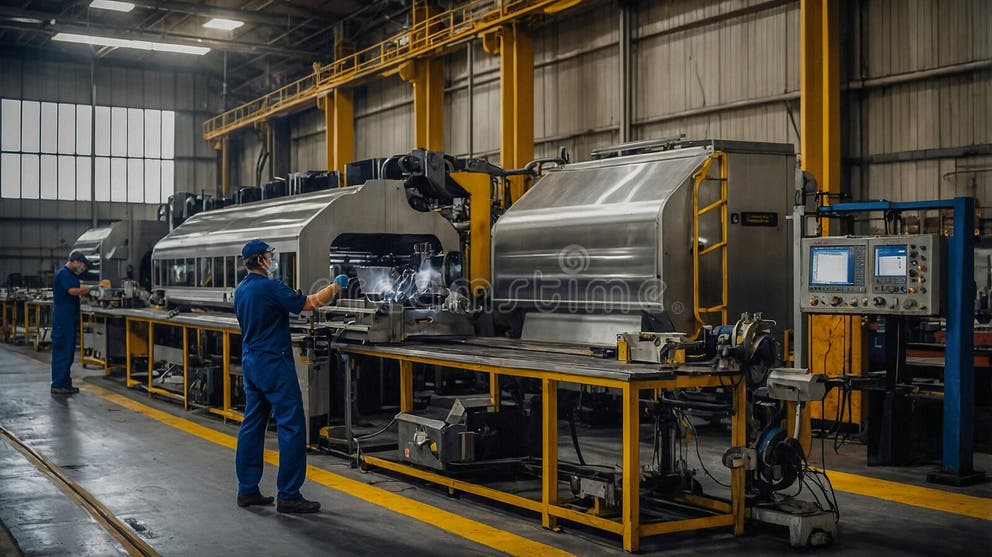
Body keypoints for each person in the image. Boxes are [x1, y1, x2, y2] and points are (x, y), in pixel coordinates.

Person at [233, 239, 349, 513]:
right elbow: (310, 303)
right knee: (292, 426)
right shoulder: (271, 287)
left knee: (252, 425)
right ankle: (288, 494)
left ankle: (247, 490)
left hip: (252, 362)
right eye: (269, 256)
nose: (272, 260)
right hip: (274, 363)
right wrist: (336, 286)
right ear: (260, 260)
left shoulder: (241, 290)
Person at [51, 250, 94, 395]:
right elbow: (72, 291)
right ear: (74, 261)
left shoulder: (70, 274)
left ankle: (65, 384)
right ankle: (58, 384)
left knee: (68, 352)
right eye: (82, 264)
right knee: (63, 351)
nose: (82, 267)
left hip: (68, 317)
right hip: (63, 319)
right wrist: (90, 289)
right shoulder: (64, 273)